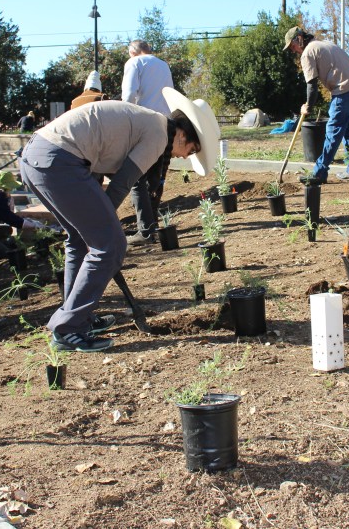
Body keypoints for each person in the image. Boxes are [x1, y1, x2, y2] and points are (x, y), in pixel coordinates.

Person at [20, 89, 219, 352]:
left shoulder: (148, 122)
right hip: (58, 162)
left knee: (81, 241)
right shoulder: (158, 134)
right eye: (191, 149)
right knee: (111, 245)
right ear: (182, 134)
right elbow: (121, 184)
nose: (184, 156)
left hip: (39, 158)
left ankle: (77, 318)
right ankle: (68, 328)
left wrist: (98, 225)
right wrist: (106, 229)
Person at [283, 26, 349, 184]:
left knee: (333, 132)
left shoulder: (308, 52)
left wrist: (308, 106)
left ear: (299, 39)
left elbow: (312, 86)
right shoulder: (326, 44)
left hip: (345, 90)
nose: (293, 50)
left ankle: (319, 173)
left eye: (292, 46)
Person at [121, 40, 175, 246]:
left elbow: (129, 95)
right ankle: (151, 225)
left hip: (145, 123)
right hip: (166, 123)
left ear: (133, 52)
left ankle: (145, 231)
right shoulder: (163, 65)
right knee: (155, 177)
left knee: (137, 178)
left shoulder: (134, 63)